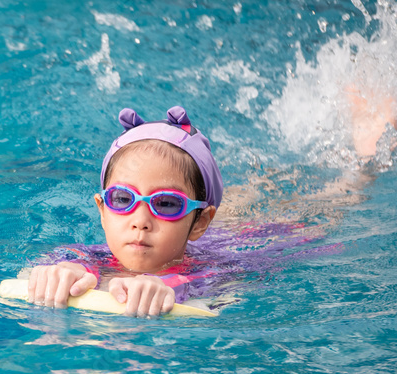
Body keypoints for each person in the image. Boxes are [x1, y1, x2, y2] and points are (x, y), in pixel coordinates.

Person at [26, 100, 396, 317]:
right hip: (219, 229)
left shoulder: (210, 272)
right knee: (251, 198)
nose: (140, 221)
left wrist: (165, 288)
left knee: (332, 201)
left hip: (256, 239)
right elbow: (61, 261)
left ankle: (365, 159)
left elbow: (202, 289)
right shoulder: (90, 257)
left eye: (166, 204)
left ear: (199, 221)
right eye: (123, 199)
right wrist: (55, 273)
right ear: (102, 209)